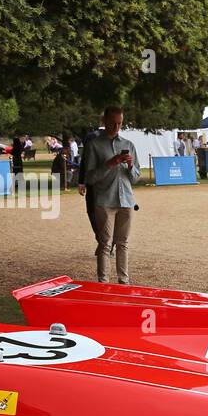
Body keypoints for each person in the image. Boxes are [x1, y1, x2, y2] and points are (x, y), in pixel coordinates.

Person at [78, 105, 139, 284]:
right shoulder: (95, 145)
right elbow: (90, 177)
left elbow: (135, 178)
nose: (116, 127)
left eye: (120, 124)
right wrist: (110, 163)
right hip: (105, 200)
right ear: (104, 121)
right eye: (112, 123)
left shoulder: (129, 145)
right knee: (105, 244)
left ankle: (124, 282)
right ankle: (103, 283)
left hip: (126, 200)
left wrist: (130, 165)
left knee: (123, 243)